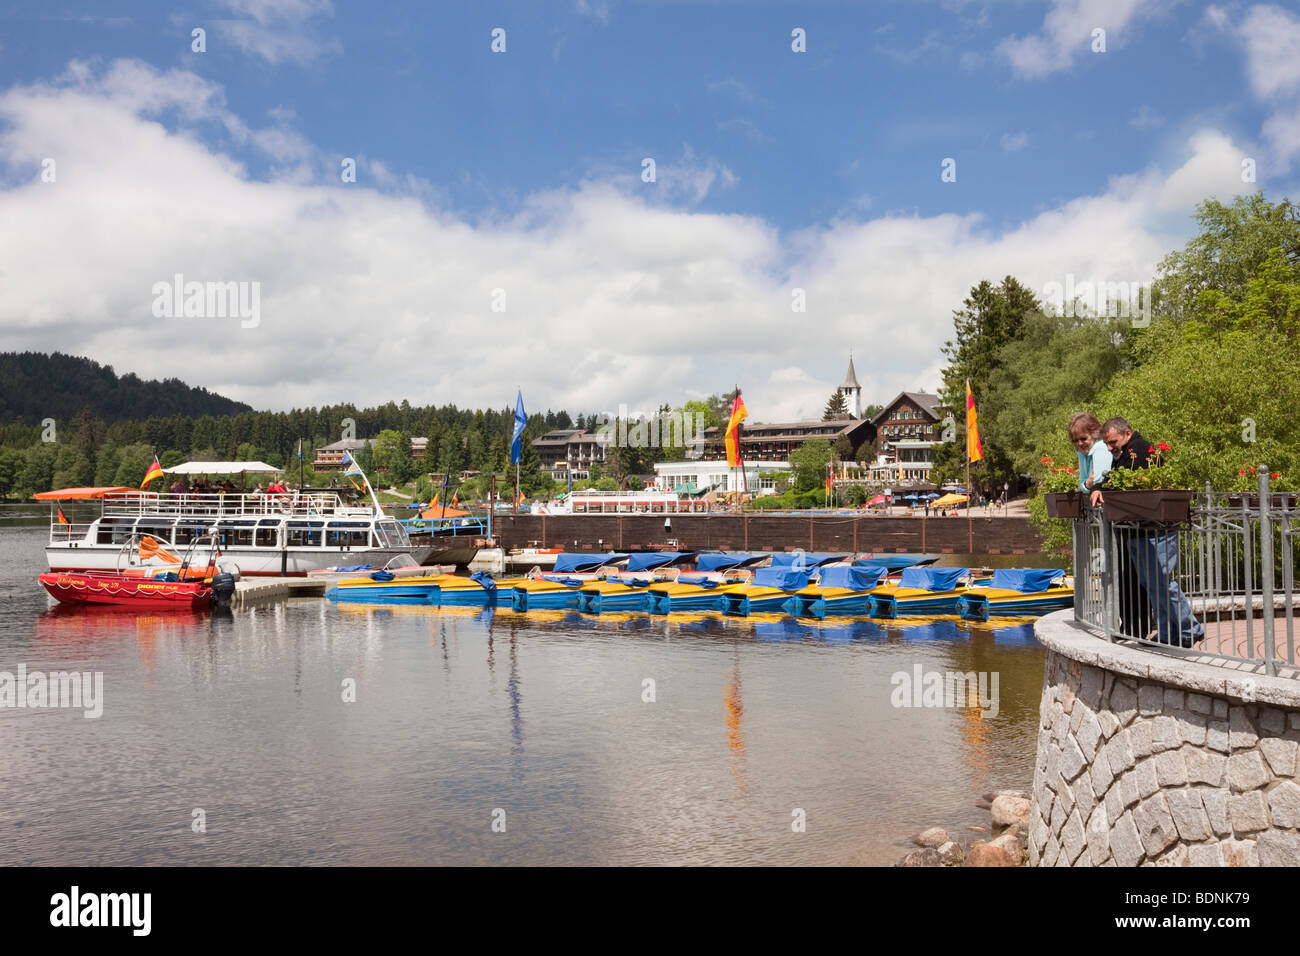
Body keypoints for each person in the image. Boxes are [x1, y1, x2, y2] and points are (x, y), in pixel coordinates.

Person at [1095, 417, 1204, 648]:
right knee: (1153, 584)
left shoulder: (1140, 449)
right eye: (1107, 443)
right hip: (1141, 531)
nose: (1109, 447)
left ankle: (1190, 628)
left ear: (1127, 434)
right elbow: (1117, 481)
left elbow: (1127, 483)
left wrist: (1102, 488)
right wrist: (1100, 487)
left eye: (1113, 442)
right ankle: (1168, 634)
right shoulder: (1125, 454)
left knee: (1161, 582)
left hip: (1157, 531)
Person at [1069, 411, 1112, 495]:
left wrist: (1087, 485)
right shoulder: (1082, 452)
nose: (1080, 443)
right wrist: (1087, 484)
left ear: (1094, 434)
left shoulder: (1101, 448)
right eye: (1075, 440)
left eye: (1083, 438)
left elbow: (1099, 483)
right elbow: (1084, 484)